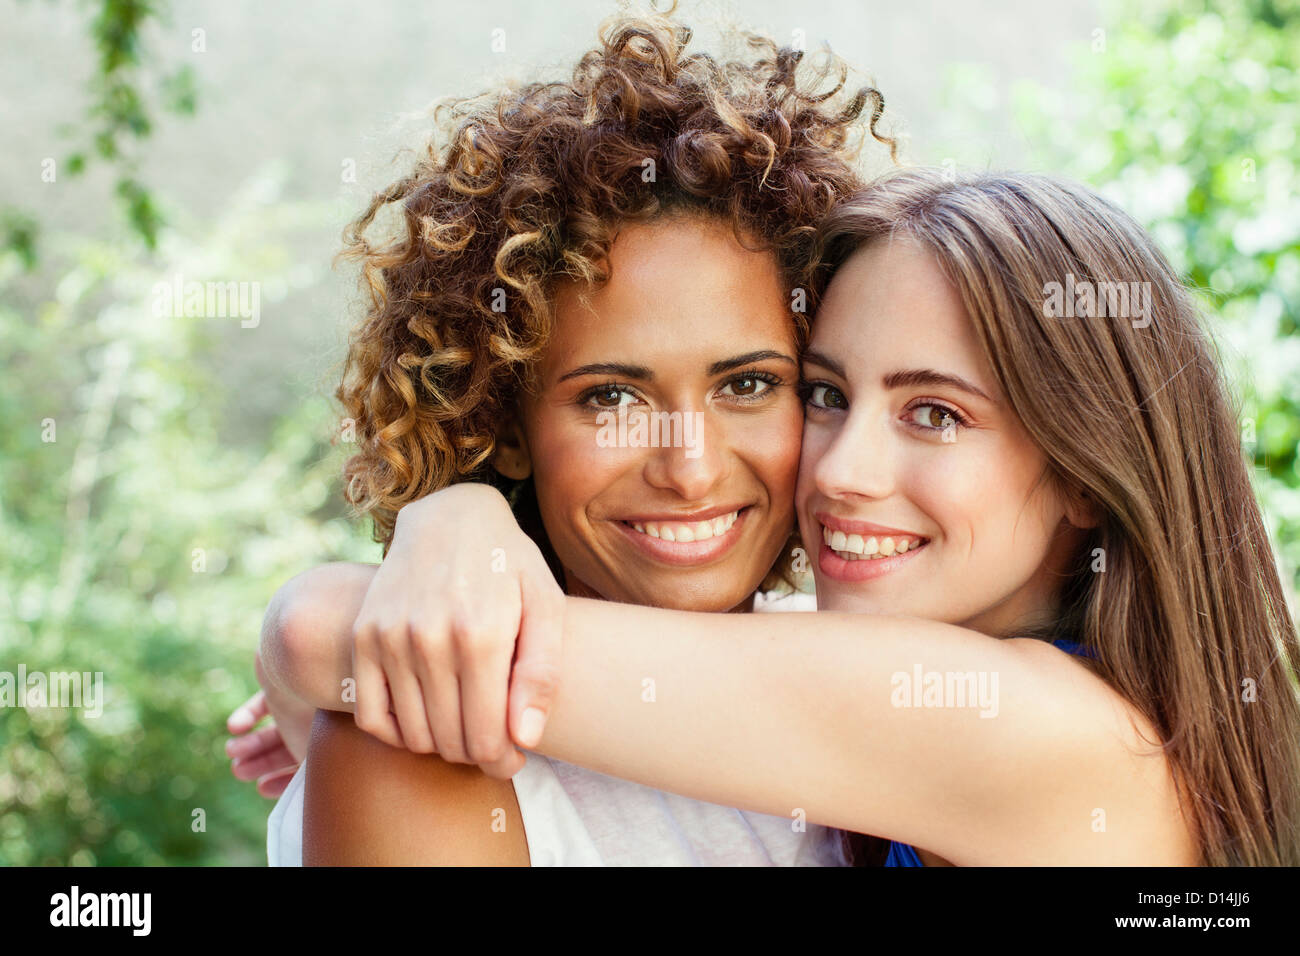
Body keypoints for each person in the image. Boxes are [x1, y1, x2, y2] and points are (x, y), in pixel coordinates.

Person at [267, 168, 1300, 866]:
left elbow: (330, 634)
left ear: (1084, 471)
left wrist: (451, 523)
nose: (843, 470)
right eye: (823, 393)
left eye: (934, 413)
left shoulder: (1038, 728)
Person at [228, 7, 898, 864]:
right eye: (612, 397)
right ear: (506, 426)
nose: (690, 470)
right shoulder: (414, 736)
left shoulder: (874, 673)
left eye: (748, 384)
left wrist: (332, 609)